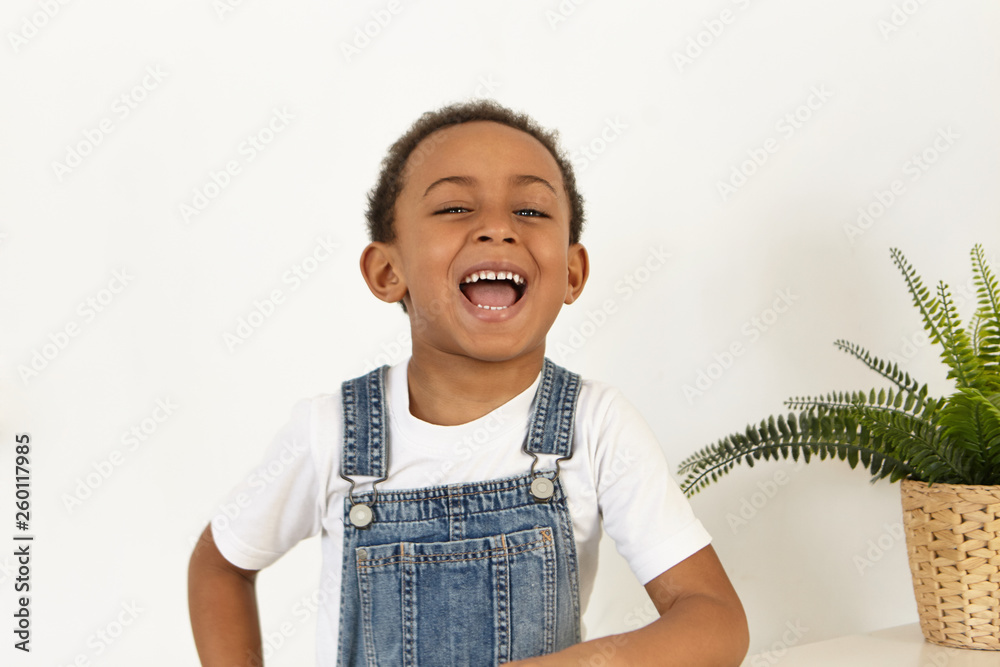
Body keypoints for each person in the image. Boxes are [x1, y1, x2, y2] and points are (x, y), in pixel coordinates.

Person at [188, 99, 749, 666]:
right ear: (388, 272)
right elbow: (220, 564)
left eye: (530, 211)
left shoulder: (596, 425)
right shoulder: (332, 431)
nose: (498, 228)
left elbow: (714, 619)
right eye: (455, 207)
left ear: (573, 273)